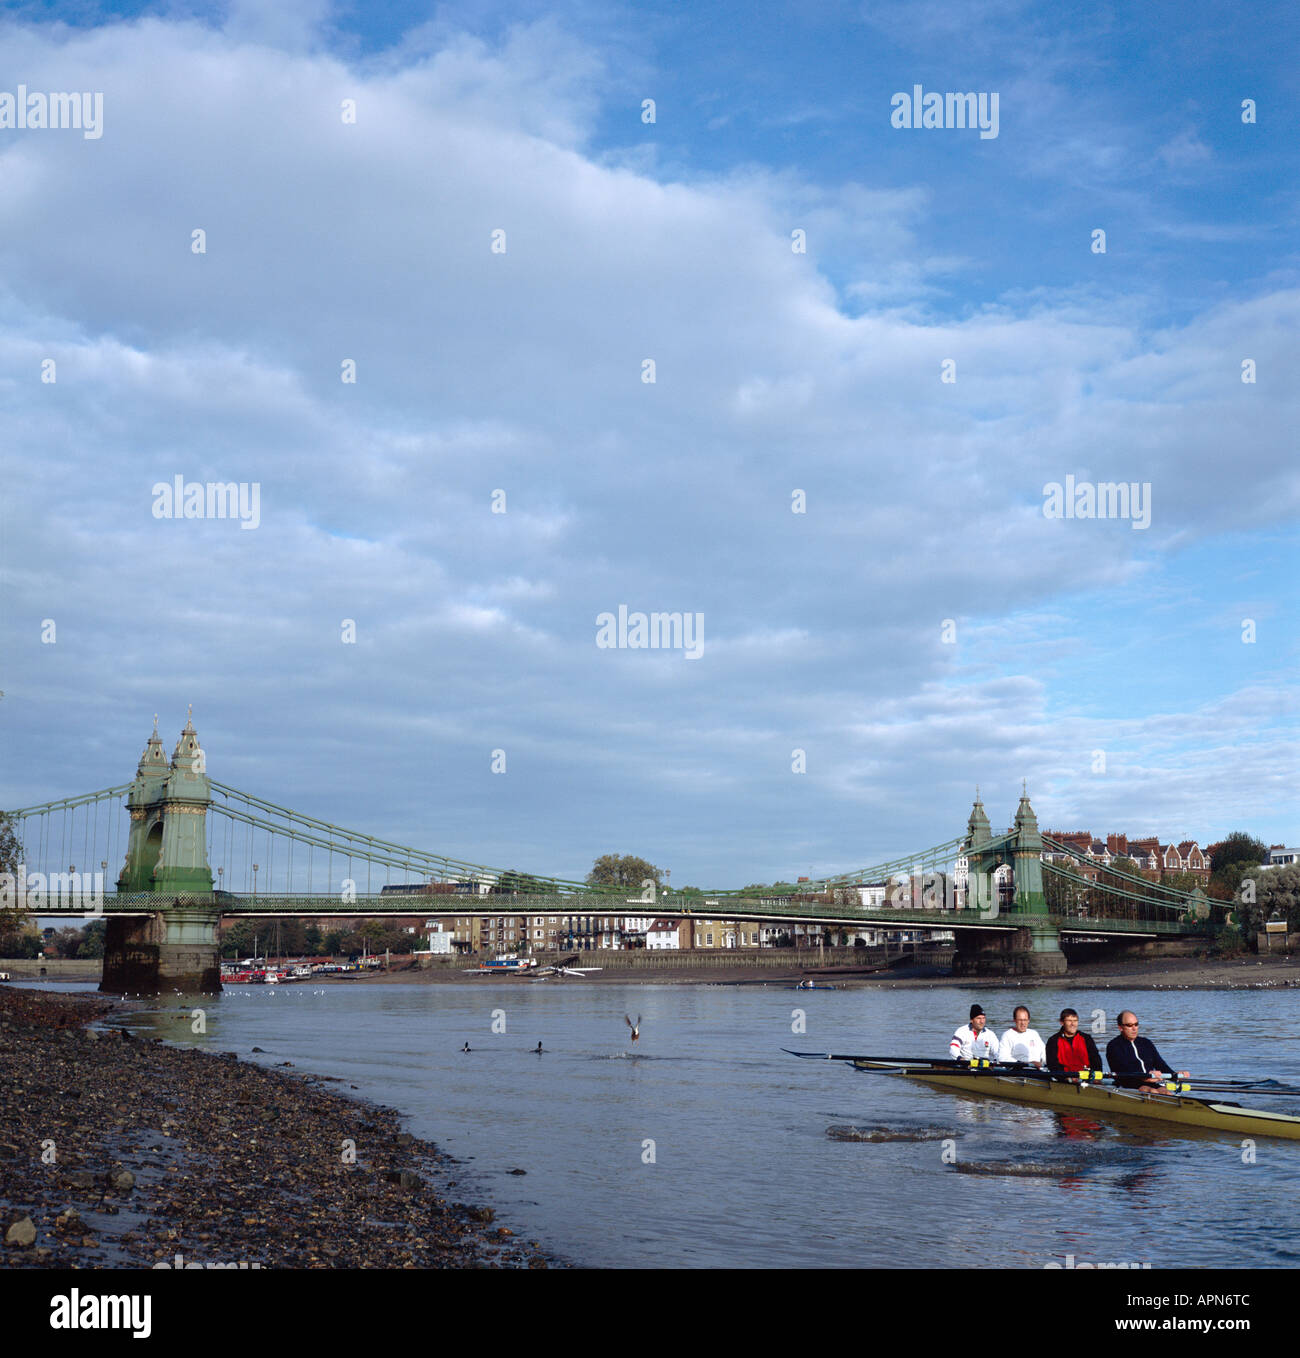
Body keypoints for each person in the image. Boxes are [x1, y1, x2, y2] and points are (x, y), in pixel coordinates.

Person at [1105, 1011, 1189, 1091]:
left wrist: (1175, 1075)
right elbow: (1123, 1068)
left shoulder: (1146, 1043)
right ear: (1120, 1027)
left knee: (1164, 1091)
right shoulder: (1114, 1046)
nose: (1134, 1028)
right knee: (1149, 1090)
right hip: (1128, 1083)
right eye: (1130, 1025)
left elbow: (1160, 1064)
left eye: (1136, 1024)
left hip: (1150, 1081)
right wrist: (1145, 1076)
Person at [1045, 1008, 1102, 1074]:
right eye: (1069, 1021)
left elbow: (1096, 1060)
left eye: (1075, 1021)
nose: (1073, 1024)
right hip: (1064, 1078)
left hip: (1086, 1077)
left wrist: (1097, 1076)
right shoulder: (1053, 1041)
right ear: (1062, 1022)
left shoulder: (1086, 1038)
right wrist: (1066, 1077)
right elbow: (1052, 1064)